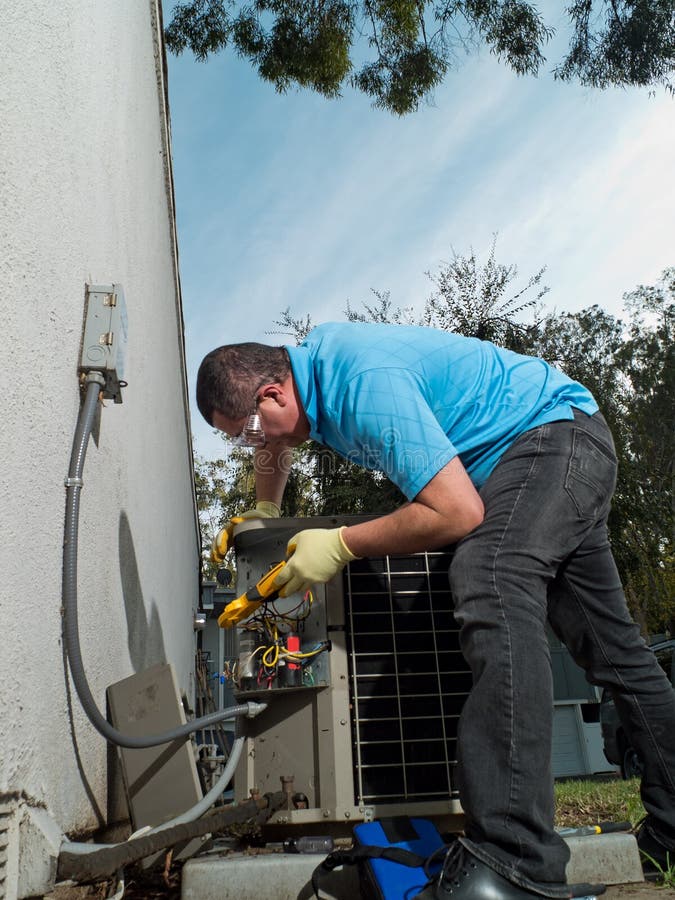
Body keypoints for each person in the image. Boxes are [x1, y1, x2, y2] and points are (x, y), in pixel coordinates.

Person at [196, 321, 675, 899]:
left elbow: (456, 513)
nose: (254, 444)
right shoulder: (306, 374)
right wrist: (264, 512)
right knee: (613, 651)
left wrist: (343, 543)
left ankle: (514, 860)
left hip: (548, 440)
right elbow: (276, 443)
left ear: (273, 392)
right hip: (549, 452)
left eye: (247, 430)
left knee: (487, 576)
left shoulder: (362, 385)